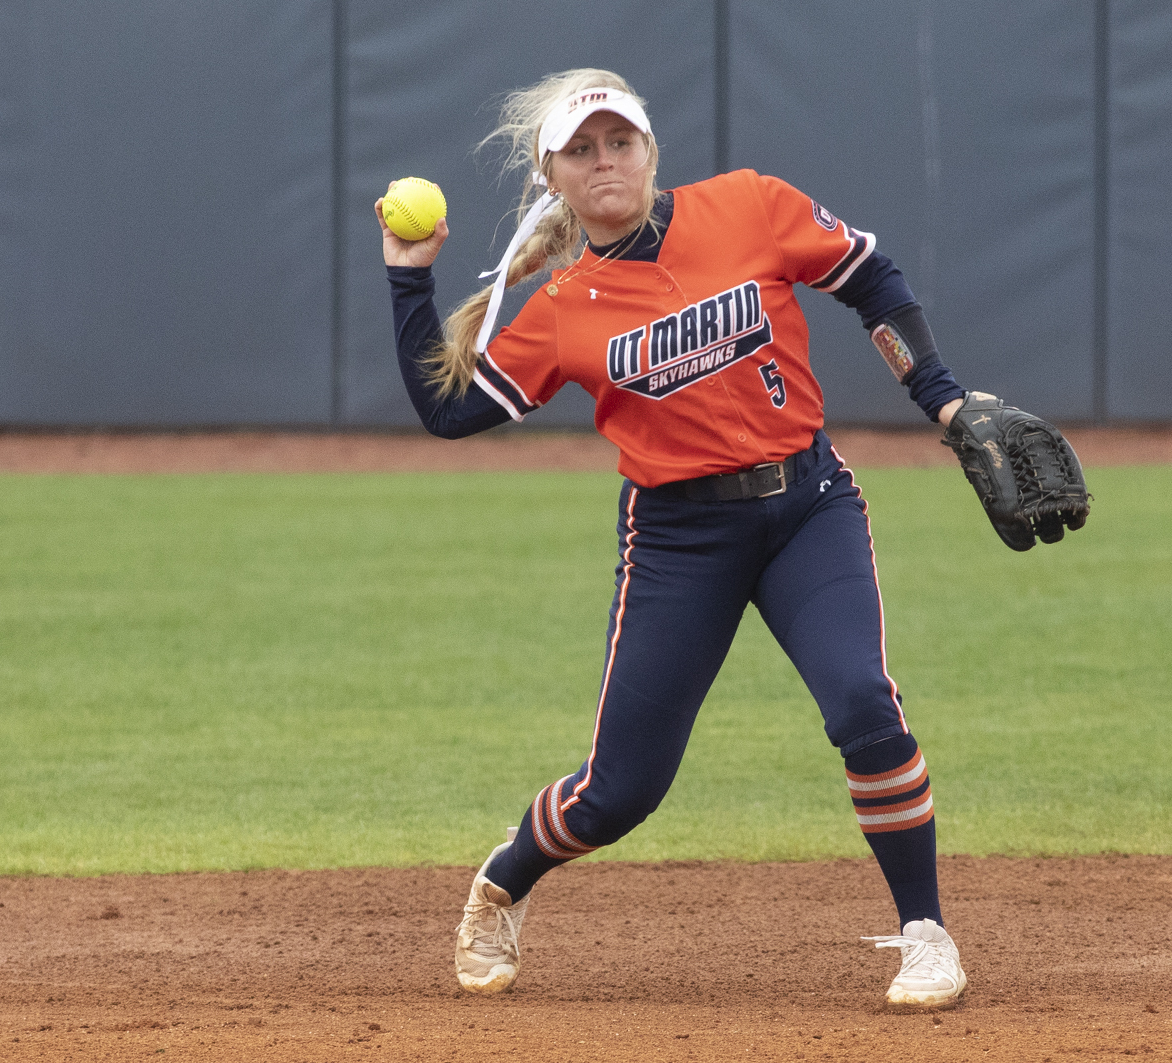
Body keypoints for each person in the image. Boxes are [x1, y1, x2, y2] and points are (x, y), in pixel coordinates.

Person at [379, 69, 975, 1007]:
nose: (605, 160)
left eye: (620, 142)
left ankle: (926, 932)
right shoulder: (567, 303)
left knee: (863, 701)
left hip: (806, 507)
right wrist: (407, 277)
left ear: (651, 153)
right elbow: (449, 410)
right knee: (618, 794)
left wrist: (938, 394)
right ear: (555, 177)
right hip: (677, 541)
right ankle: (503, 880)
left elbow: (872, 279)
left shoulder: (749, 206)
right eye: (582, 149)